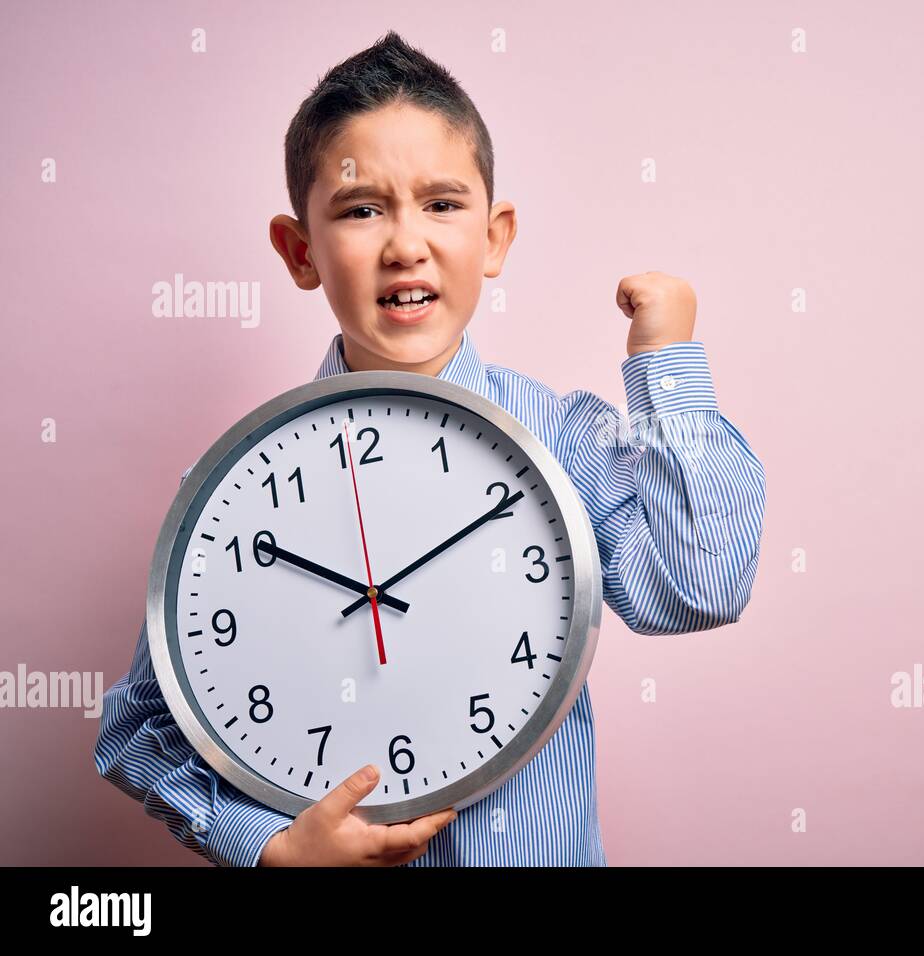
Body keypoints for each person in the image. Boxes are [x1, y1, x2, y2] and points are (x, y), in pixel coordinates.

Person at [93, 30, 765, 867]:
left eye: (442, 204)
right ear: (300, 251)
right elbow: (137, 728)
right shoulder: (234, 479)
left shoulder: (561, 435)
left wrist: (662, 362)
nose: (405, 243)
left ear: (494, 236)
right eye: (361, 208)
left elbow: (698, 583)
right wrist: (267, 847)